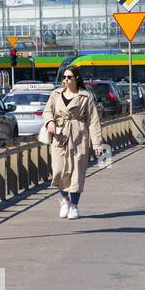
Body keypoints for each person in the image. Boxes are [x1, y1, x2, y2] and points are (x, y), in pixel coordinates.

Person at [41, 65, 106, 220]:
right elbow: (47, 111)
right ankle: (64, 200)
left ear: (76, 78)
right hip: (59, 136)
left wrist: (97, 144)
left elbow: (93, 121)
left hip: (78, 136)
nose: (65, 80)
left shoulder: (85, 96)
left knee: (77, 172)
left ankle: (74, 206)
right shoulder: (56, 94)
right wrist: (50, 121)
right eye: (64, 77)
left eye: (69, 77)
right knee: (58, 169)